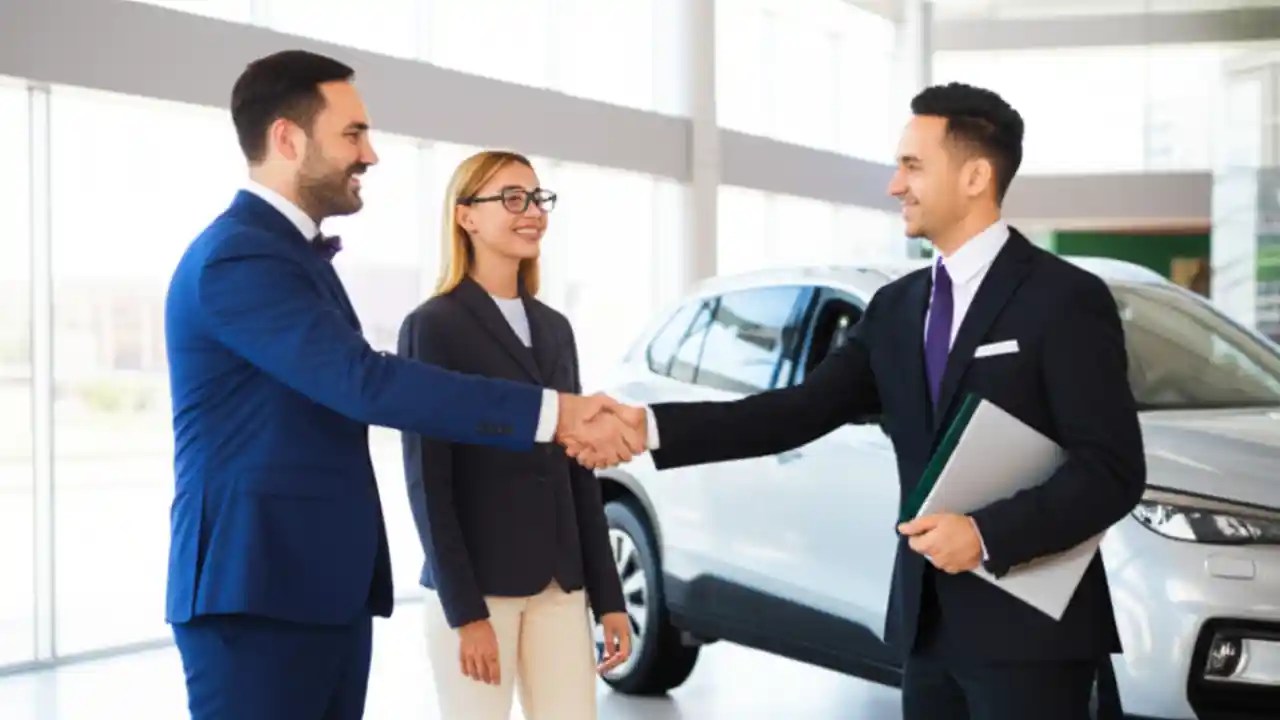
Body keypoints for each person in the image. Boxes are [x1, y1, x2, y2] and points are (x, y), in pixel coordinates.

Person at [575, 82, 1146, 720]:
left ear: (976, 176)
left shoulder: (1065, 299)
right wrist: (650, 425)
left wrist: (987, 534)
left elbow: (1112, 471)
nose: (894, 185)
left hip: (1033, 640)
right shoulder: (898, 309)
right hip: (926, 633)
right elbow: (796, 410)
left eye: (912, 165)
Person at [163, 50, 636, 720]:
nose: (372, 154)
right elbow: (364, 383)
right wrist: (552, 413)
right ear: (288, 139)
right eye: (353, 134)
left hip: (318, 589)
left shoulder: (296, 257)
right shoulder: (241, 256)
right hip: (257, 591)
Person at [398, 150, 632, 720]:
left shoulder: (555, 329)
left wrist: (609, 598)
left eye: (537, 198)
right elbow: (428, 480)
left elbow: (578, 471)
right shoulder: (433, 327)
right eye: (511, 198)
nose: (531, 212)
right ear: (466, 216)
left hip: (560, 585)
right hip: (481, 590)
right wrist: (465, 612)